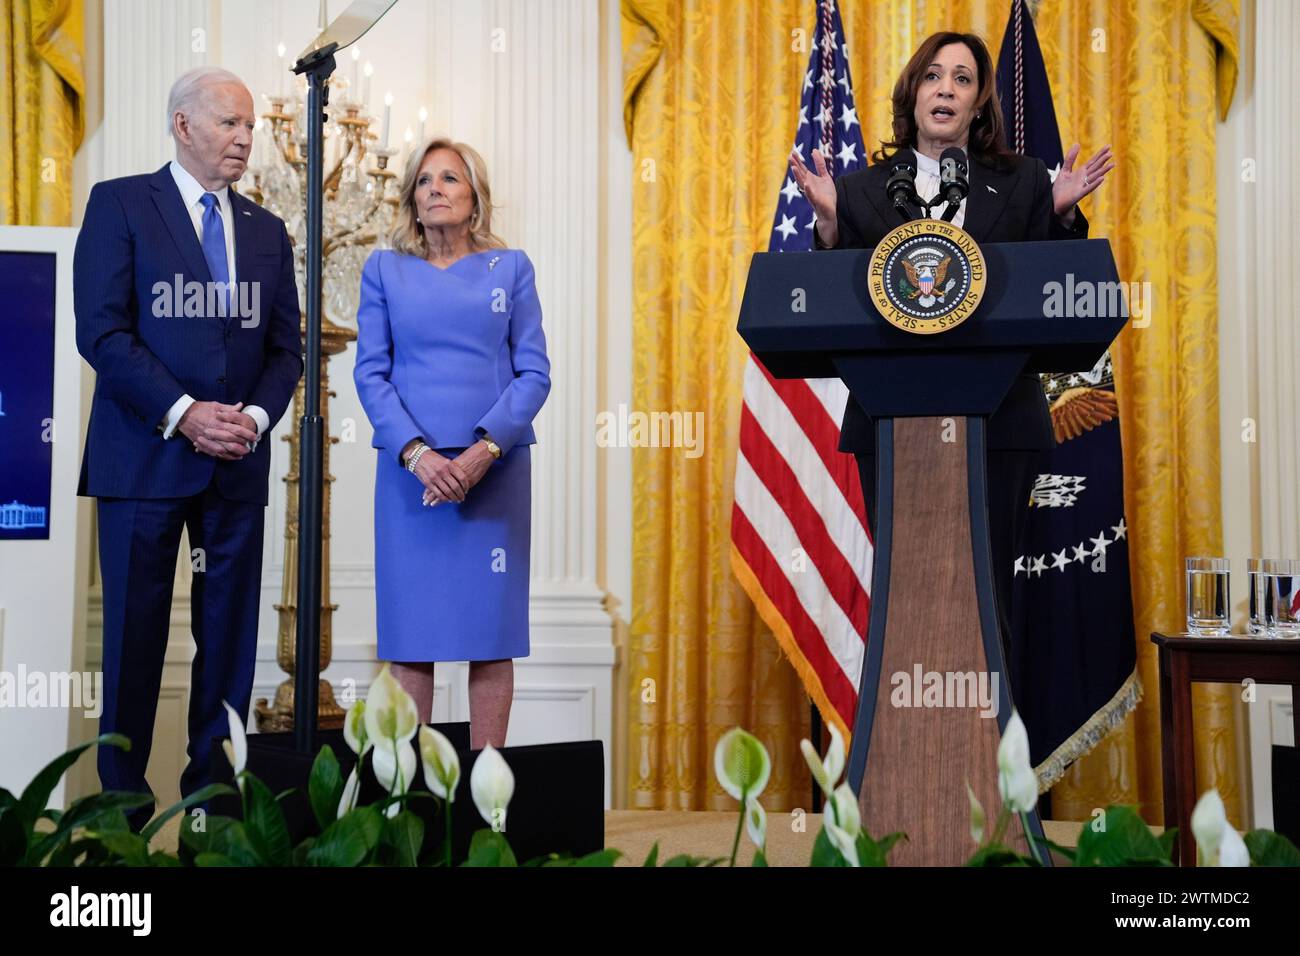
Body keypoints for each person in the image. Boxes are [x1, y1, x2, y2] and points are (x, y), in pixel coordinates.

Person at [789, 30, 1113, 668]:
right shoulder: (860, 192)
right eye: (934, 76)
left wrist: (1061, 218)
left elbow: (1052, 296)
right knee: (908, 602)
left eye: (963, 79)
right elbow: (835, 301)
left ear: (977, 102)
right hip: (891, 423)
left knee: (987, 599)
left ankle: (987, 762)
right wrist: (829, 226)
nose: (946, 88)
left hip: (1001, 423)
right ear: (913, 93)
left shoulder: (1021, 183)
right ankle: (905, 761)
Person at [74, 66, 303, 828]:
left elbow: (287, 351)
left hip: (237, 467)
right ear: (183, 126)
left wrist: (255, 421)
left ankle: (214, 822)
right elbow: (102, 331)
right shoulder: (119, 204)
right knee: (133, 647)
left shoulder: (269, 232)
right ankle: (121, 827)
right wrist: (184, 412)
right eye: (230, 124)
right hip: (143, 461)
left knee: (230, 653)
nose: (245, 139)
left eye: (250, 128)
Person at [354, 137, 550, 749]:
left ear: (474, 200)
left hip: (493, 475)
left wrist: (479, 454)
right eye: (424, 181)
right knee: (414, 638)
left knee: (488, 638)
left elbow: (535, 374)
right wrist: (419, 456)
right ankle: (413, 808)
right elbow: (371, 373)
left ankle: (485, 803)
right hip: (411, 482)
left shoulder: (511, 269)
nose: (435, 189)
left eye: (450, 179)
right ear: (412, 198)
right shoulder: (384, 270)